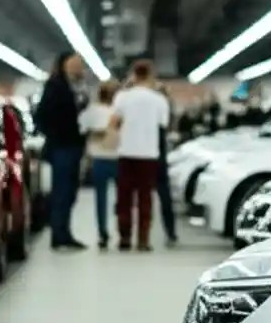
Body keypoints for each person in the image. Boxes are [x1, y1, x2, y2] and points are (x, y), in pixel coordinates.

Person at [110, 60, 170, 251]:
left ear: (133, 75)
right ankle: (143, 239)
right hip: (149, 154)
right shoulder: (159, 99)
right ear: (151, 75)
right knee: (145, 198)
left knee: (124, 198)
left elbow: (114, 122)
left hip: (126, 153)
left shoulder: (122, 97)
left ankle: (125, 238)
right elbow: (163, 125)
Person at [34, 53, 89, 250]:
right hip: (62, 147)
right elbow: (41, 116)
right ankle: (58, 235)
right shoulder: (55, 86)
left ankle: (65, 233)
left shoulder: (79, 87)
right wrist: (57, 134)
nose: (77, 67)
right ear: (63, 65)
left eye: (79, 64)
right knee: (62, 191)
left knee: (71, 191)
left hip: (75, 145)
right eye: (73, 64)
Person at [79, 81, 120, 248]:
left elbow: (82, 129)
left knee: (100, 199)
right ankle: (123, 230)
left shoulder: (91, 111)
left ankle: (103, 233)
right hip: (119, 158)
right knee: (123, 199)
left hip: (99, 158)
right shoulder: (119, 112)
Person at [154, 83, 179, 246]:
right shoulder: (166, 108)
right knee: (164, 195)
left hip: (147, 155)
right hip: (159, 156)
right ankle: (170, 232)